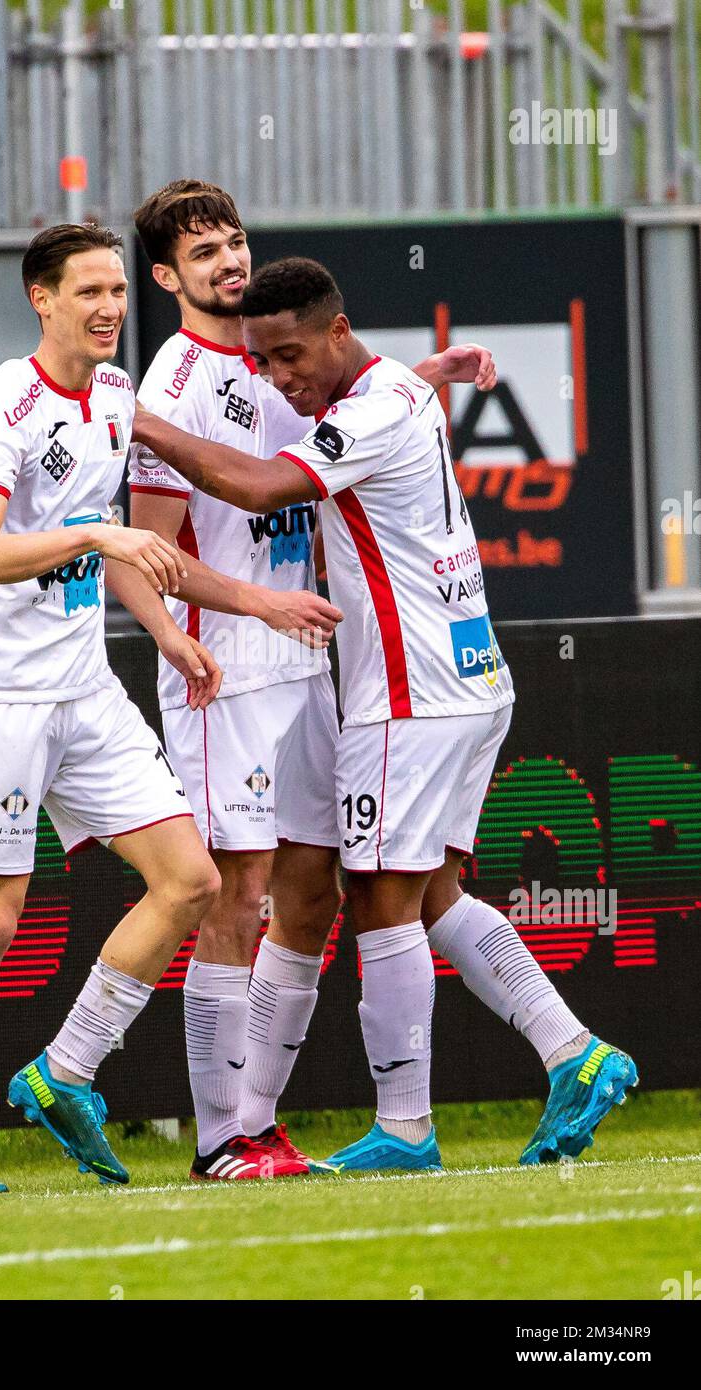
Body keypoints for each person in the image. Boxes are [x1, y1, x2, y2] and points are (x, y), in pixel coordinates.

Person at [130, 256, 638, 1172]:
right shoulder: (391, 387)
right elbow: (373, 386)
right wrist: (434, 368)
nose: (280, 377)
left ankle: (406, 1127)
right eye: (263, 362)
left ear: (336, 331)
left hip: (407, 696)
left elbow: (254, 485)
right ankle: (576, 1052)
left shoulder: (364, 411)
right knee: (436, 893)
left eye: (290, 356)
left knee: (381, 899)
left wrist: (135, 418)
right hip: (469, 677)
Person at [0, 223, 333, 1197]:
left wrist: (235, 603)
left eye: (115, 291)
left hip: (84, 691)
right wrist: (95, 536)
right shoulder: (0, 410)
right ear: (43, 299)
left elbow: (150, 548)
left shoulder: (117, 397)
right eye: (88, 292)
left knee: (191, 880)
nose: (109, 308)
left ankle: (63, 1069)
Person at [130, 181, 496, 1179]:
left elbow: (319, 440)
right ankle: (212, 1133)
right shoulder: (168, 382)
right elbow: (144, 547)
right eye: (202, 253)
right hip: (231, 670)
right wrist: (181, 634)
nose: (227, 261)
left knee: (308, 893)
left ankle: (255, 1119)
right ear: (164, 277)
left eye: (234, 241)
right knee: (231, 889)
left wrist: (417, 374)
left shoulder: (262, 359)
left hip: (306, 667)